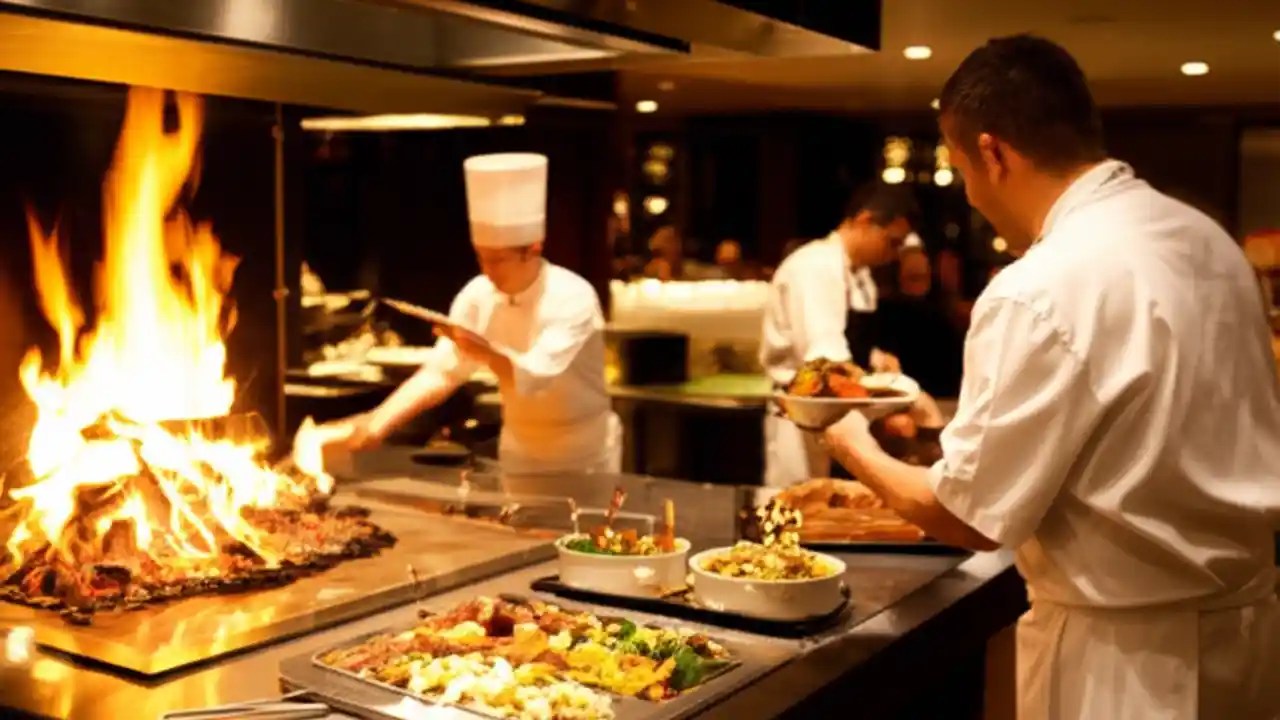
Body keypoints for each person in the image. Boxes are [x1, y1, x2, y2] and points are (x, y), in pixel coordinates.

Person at [823, 35, 1280, 719]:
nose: (973, 199)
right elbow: (1138, 427)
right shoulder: (1208, 240)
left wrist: (848, 441)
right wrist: (940, 431)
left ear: (992, 152)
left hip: (1127, 661)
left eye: (964, 172)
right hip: (1247, 636)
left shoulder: (1038, 284)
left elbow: (968, 514)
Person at [345, 152, 621, 475]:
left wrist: (483, 351)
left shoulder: (572, 297)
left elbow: (536, 376)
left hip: (583, 453)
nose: (487, 271)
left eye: (498, 260)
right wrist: (377, 426)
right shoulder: (478, 295)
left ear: (533, 249)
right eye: (481, 257)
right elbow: (443, 372)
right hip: (520, 448)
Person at [759, 182, 917, 487]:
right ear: (865, 221)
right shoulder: (815, 267)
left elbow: (851, 342)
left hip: (843, 414)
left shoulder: (860, 274)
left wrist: (876, 359)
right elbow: (824, 360)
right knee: (802, 513)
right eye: (892, 242)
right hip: (805, 416)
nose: (894, 254)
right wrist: (887, 402)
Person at [873, 246, 964, 398]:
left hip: (941, 396)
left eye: (923, 277)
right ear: (899, 277)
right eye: (913, 277)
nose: (919, 284)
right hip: (899, 395)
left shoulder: (942, 314)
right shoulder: (884, 315)